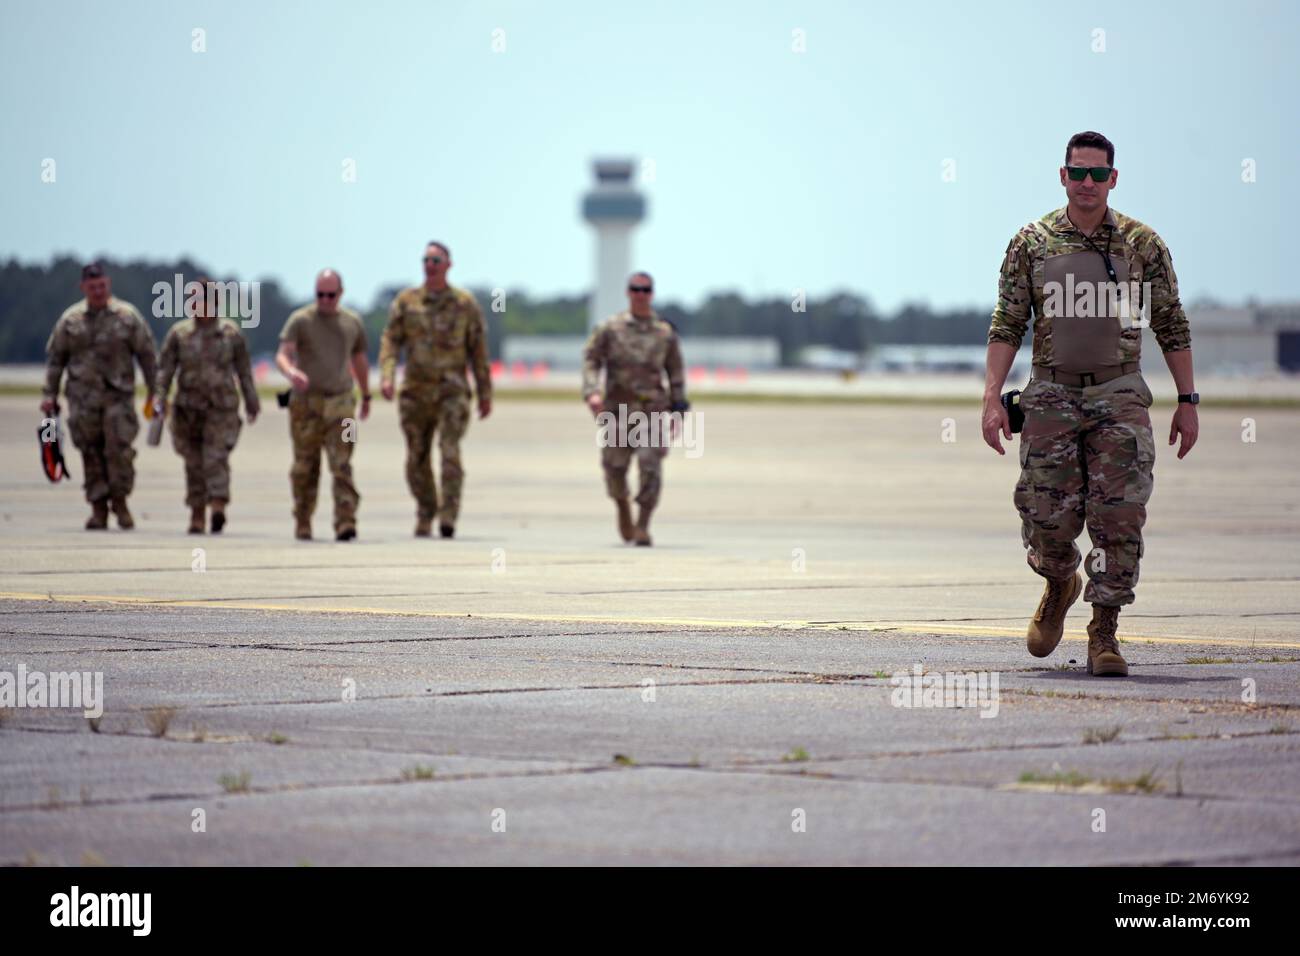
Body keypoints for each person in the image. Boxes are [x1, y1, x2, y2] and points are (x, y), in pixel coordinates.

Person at [982, 130, 1198, 677]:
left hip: (1120, 393)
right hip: (1051, 393)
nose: (1087, 183)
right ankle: (1059, 581)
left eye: (1097, 174)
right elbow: (1008, 323)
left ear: (1113, 179)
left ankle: (1104, 632)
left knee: (1118, 516)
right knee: (1045, 518)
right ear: (1062, 176)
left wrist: (1187, 400)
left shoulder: (1141, 245)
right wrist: (991, 398)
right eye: (1078, 172)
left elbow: (1171, 323)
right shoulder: (1031, 242)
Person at [378, 241, 491, 539]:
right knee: (416, 458)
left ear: (448, 265)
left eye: (436, 260)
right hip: (415, 393)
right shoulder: (407, 302)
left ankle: (448, 513)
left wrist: (485, 392)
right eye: (426, 260)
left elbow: (478, 352)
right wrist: (387, 376)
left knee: (449, 451)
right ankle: (426, 510)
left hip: (451, 392)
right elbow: (391, 341)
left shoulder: (465, 304)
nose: (430, 265)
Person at [40, 262, 157, 530]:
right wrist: (50, 394)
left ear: (109, 284)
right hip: (83, 400)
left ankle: (120, 501)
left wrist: (155, 391)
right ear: (83, 288)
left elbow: (147, 356)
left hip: (119, 398)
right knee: (90, 453)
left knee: (119, 451)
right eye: (92, 287)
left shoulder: (127, 317)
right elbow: (56, 360)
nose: (98, 291)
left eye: (102, 286)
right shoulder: (71, 321)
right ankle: (98, 508)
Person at [581, 271, 688, 547]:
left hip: (652, 412)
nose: (640, 294)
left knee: (650, 466)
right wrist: (592, 392)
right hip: (617, 411)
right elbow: (591, 359)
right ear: (628, 292)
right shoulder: (610, 329)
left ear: (652, 294)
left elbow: (675, 371)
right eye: (635, 289)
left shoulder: (665, 333)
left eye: (645, 289)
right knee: (614, 468)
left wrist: (678, 409)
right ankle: (623, 507)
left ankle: (643, 524)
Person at [154, 277, 260, 533]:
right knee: (193, 462)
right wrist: (159, 399)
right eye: (194, 300)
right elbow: (165, 371)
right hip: (187, 410)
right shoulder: (179, 334)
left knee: (216, 457)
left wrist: (251, 401)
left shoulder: (230, 334)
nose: (198, 305)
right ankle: (197, 513)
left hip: (220, 408)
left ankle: (218, 505)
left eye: (204, 300)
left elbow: (244, 371)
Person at [276, 269, 370, 541]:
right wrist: (290, 372)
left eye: (331, 295)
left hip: (343, 406)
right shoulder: (300, 320)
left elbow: (360, 360)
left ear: (340, 293)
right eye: (320, 295)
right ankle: (303, 519)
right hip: (305, 406)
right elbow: (283, 353)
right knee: (305, 466)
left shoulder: (353, 322)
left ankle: (346, 521)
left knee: (343, 464)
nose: (325, 300)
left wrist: (366, 396)